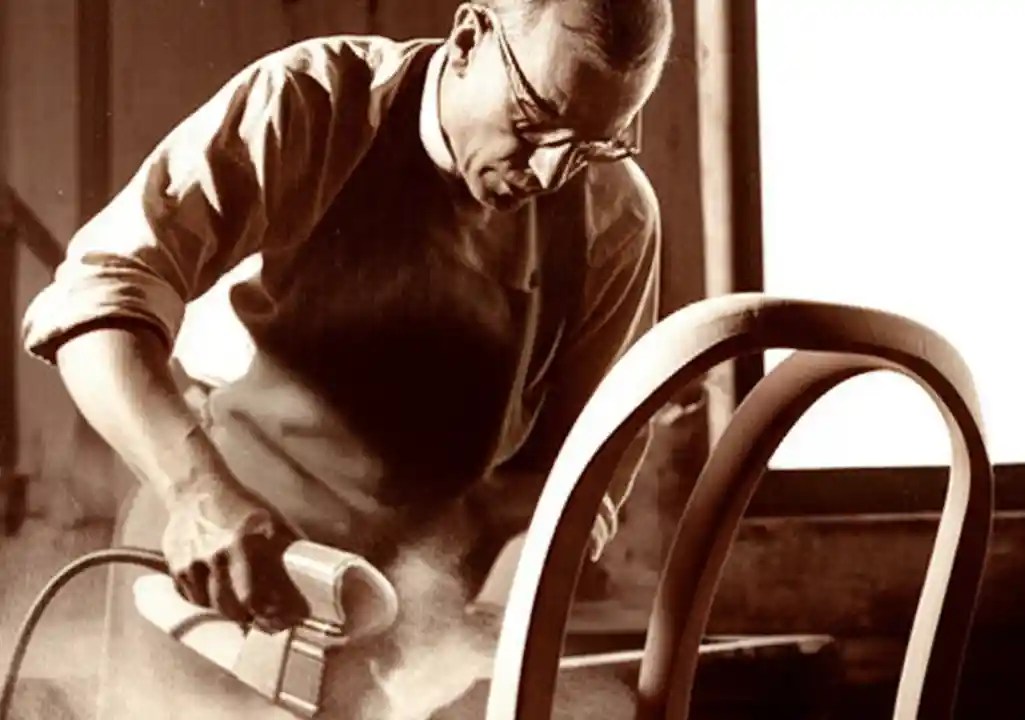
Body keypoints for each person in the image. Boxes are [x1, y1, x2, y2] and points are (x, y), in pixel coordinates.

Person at [21, 0, 672, 717]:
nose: (550, 170)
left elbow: (577, 480)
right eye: (532, 121)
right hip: (221, 583)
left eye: (590, 143)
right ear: (467, 38)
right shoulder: (315, 105)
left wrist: (480, 633)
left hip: (409, 634)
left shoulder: (614, 216)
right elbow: (98, 296)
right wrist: (197, 495)